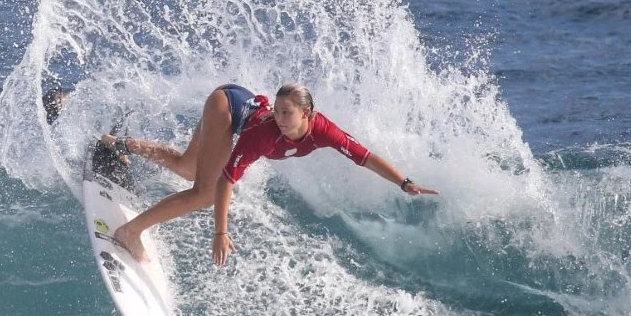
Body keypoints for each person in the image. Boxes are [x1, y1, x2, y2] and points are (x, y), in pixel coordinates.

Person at [101, 83, 438, 265]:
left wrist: (404, 182)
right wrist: (220, 232)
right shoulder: (262, 135)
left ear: (307, 114)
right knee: (204, 192)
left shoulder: (325, 131)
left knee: (187, 168)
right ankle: (131, 232)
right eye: (276, 111)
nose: (279, 118)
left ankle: (119, 145)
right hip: (226, 106)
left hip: (234, 101)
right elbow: (226, 181)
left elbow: (365, 157)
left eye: (287, 113)